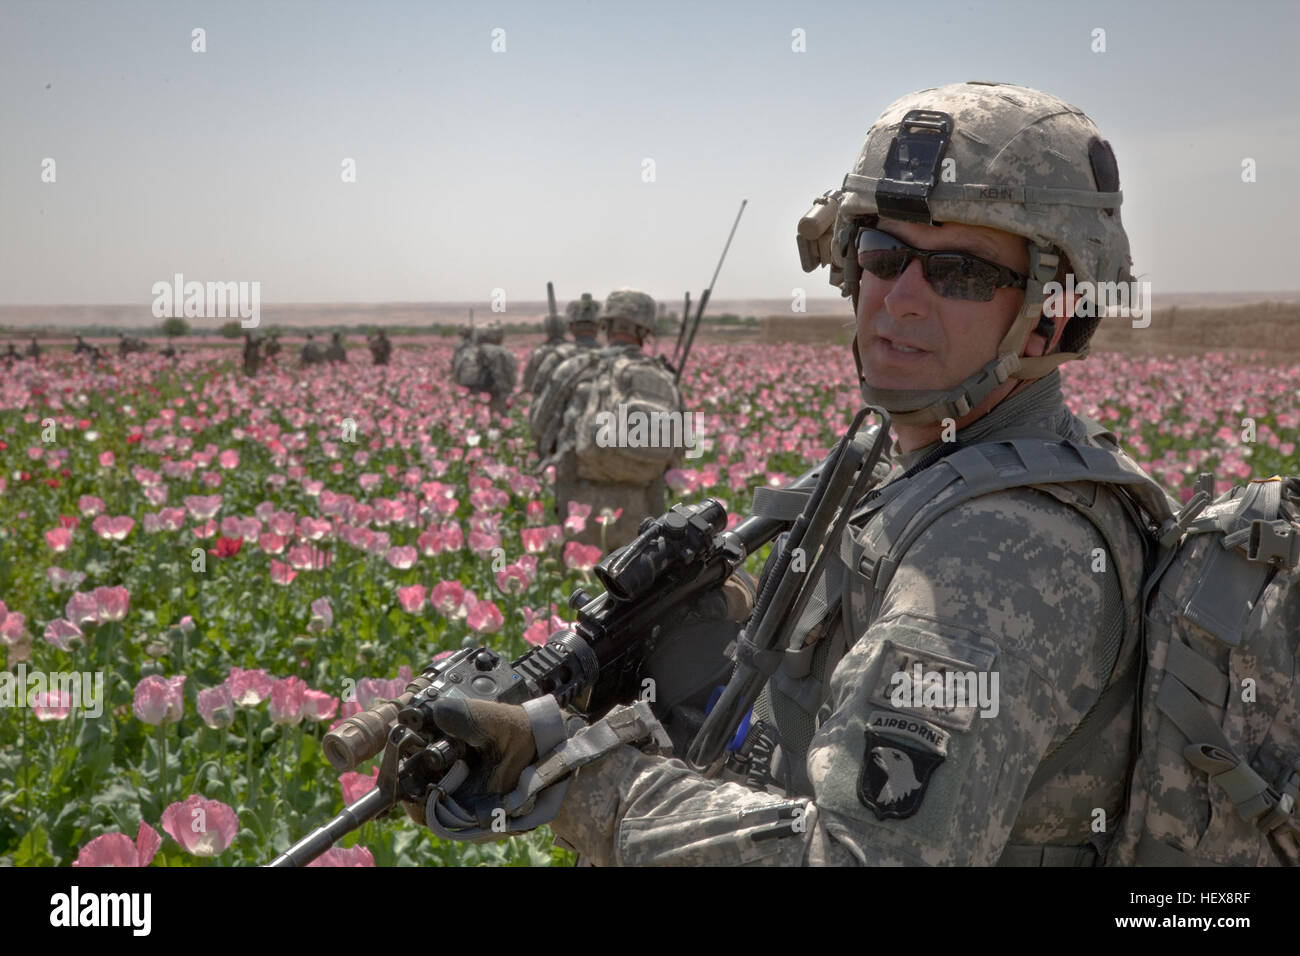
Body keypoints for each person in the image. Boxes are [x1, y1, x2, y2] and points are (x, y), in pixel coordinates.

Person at [404, 82, 1173, 866]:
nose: (899, 300)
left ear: (1054, 309)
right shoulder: (916, 468)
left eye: (961, 273)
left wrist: (573, 778)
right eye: (883, 256)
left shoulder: (1000, 549)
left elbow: (853, 857)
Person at [533, 289, 685, 551]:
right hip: (644, 508)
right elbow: (683, 449)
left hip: (581, 503)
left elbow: (538, 426)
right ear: (646, 332)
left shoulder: (575, 369)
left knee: (581, 587)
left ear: (604, 325)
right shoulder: (664, 379)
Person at [451, 325, 517, 417]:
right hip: (498, 393)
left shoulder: (470, 351)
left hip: (475, 392)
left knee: (478, 418)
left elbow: (460, 372)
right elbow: (511, 376)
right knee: (497, 418)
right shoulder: (505, 353)